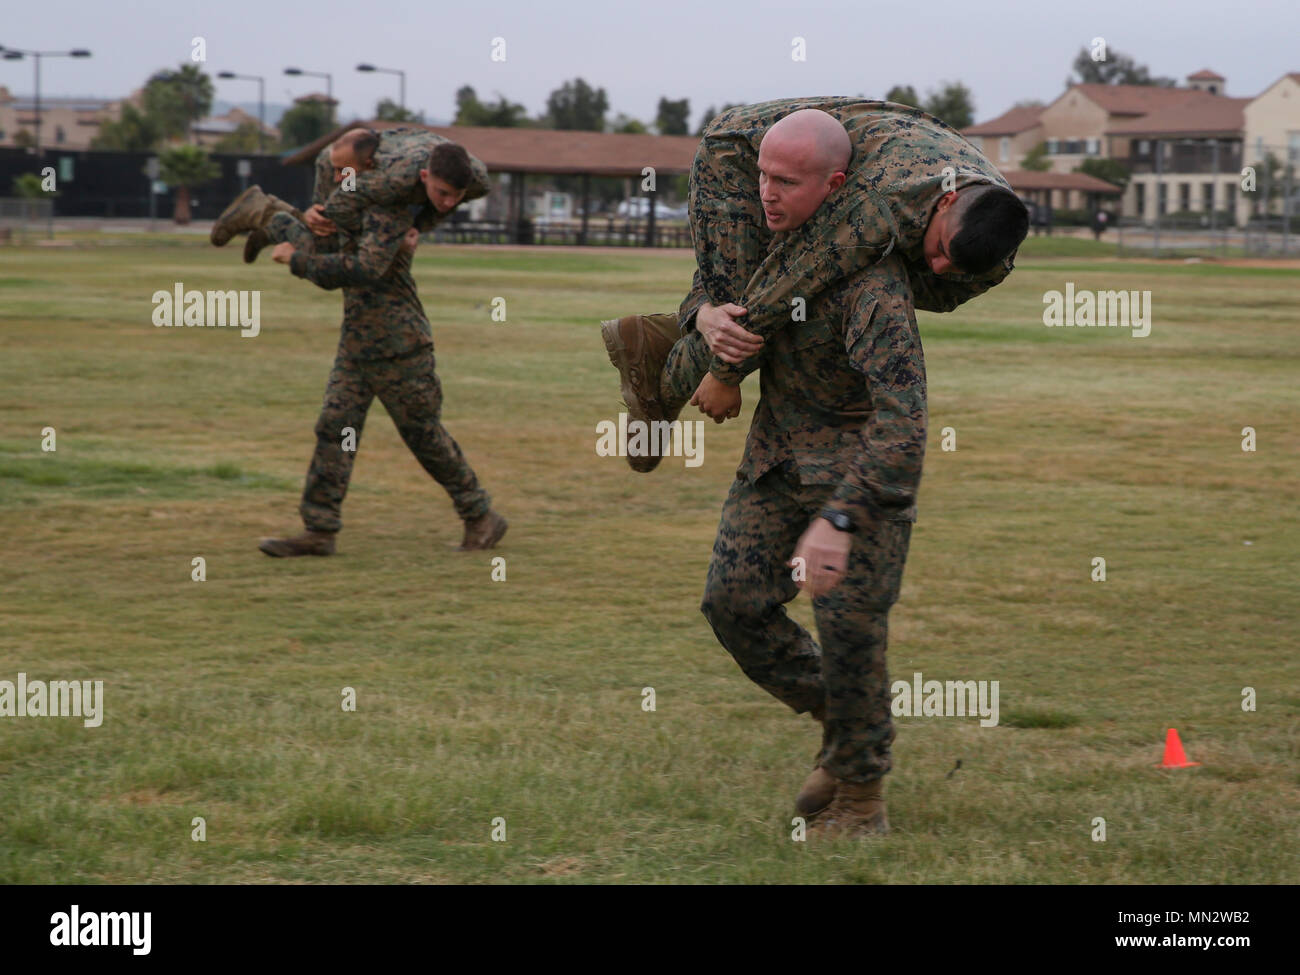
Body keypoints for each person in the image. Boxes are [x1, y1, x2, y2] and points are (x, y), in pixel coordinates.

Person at [601, 98, 1028, 471]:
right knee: (738, 310)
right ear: (948, 201)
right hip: (740, 155)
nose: (936, 266)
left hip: (820, 172)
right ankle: (655, 391)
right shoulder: (879, 204)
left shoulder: (991, 229)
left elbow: (927, 289)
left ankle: (662, 331)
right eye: (937, 249)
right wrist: (724, 375)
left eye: (951, 265)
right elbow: (786, 283)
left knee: (814, 289)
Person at [208, 129, 506, 554]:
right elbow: (335, 227)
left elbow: (359, 270)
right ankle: (319, 531)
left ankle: (481, 516)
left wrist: (297, 259)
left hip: (398, 343)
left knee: (424, 435)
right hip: (359, 342)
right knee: (336, 428)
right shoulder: (366, 193)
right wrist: (309, 228)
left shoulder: (390, 205)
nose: (448, 202)